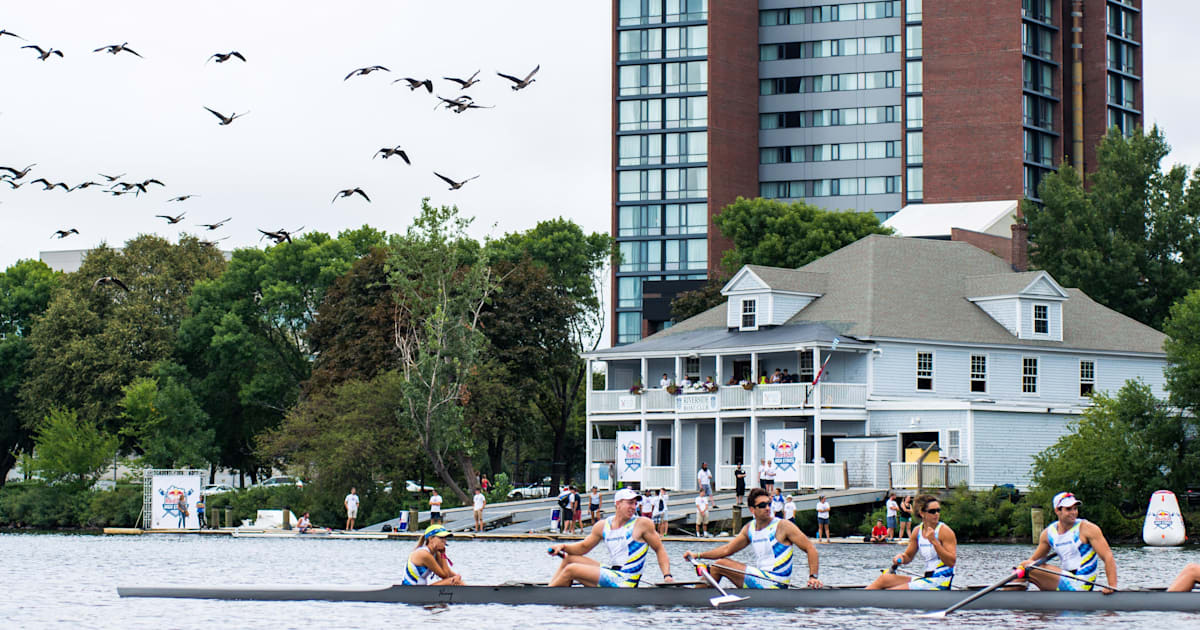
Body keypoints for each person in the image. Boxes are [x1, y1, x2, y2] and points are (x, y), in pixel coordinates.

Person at [683, 488, 823, 590]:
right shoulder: (749, 528)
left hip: (777, 583)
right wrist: (698, 555)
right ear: (752, 510)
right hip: (761, 580)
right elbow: (727, 549)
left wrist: (813, 577)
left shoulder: (783, 526)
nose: (767, 508)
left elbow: (811, 549)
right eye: (762, 505)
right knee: (716, 567)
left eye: (769, 503)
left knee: (719, 565)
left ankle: (694, 600)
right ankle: (699, 598)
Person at [548, 488, 674, 587]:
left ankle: (545, 596)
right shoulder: (603, 525)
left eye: (635, 503)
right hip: (612, 573)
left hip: (626, 580)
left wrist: (667, 575)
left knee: (572, 569)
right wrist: (562, 546)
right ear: (618, 504)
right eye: (630, 503)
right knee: (569, 559)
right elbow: (583, 547)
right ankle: (552, 589)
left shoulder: (642, 524)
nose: (633, 507)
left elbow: (659, 549)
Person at [1018, 492, 1118, 593]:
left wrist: (1112, 586)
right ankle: (1013, 596)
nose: (1073, 512)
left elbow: (1108, 556)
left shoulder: (1087, 528)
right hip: (1065, 579)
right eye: (1068, 509)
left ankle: (1009, 599)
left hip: (1082, 584)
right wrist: (1020, 571)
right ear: (1057, 510)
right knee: (1024, 567)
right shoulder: (1049, 533)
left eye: (1075, 508)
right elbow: (1033, 561)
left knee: (1025, 566)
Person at [867, 495, 957, 590]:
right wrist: (901, 557)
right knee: (884, 579)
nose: (936, 514)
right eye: (932, 511)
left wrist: (934, 541)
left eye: (938, 510)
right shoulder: (917, 531)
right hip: (927, 579)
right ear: (922, 513)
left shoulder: (945, 531)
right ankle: (858, 599)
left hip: (941, 581)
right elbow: (908, 556)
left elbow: (951, 562)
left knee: (893, 591)